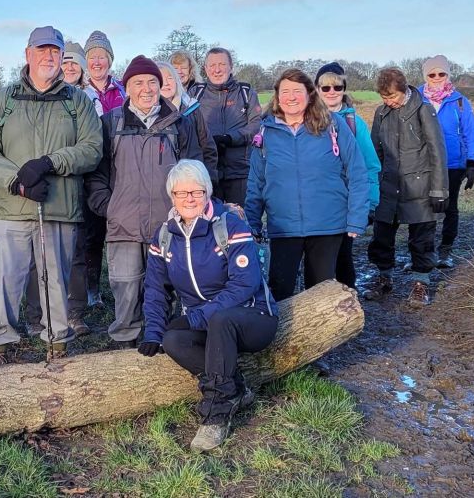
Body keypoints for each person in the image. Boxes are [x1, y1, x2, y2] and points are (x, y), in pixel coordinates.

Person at [0, 26, 103, 363]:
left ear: (63, 56)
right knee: (5, 278)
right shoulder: (4, 99)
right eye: (42, 50)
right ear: (28, 53)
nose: (49, 56)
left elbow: (92, 148)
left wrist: (50, 162)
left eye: (55, 51)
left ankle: (57, 343)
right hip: (13, 206)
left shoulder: (77, 101)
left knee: (56, 280)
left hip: (59, 206)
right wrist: (17, 181)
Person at [139, 160, 278, 452]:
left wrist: (199, 316)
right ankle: (236, 389)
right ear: (172, 196)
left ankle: (217, 412)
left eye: (197, 192)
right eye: (181, 193)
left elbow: (245, 284)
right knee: (172, 339)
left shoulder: (229, 226)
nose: (189, 199)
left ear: (207, 192)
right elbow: (155, 288)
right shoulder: (164, 236)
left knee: (221, 320)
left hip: (252, 317)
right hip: (206, 321)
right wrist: (153, 331)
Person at [85, 56, 204, 349]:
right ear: (127, 87)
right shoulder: (109, 123)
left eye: (152, 82)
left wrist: (188, 210)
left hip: (169, 225)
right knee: (126, 286)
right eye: (138, 83)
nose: (147, 89)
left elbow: (194, 168)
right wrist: (108, 206)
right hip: (123, 224)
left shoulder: (179, 122)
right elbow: (96, 173)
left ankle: (165, 340)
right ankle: (125, 340)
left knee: (168, 286)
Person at [245, 69, 369, 301]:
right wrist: (251, 222)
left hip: (328, 226)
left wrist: (357, 217)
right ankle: (281, 337)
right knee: (279, 291)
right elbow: (256, 181)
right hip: (283, 227)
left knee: (321, 296)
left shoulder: (333, 125)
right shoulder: (265, 131)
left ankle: (327, 337)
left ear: (310, 94)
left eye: (297, 91)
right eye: (285, 92)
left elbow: (357, 172)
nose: (291, 97)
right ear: (277, 96)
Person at [364, 68, 448, 306]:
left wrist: (439, 190)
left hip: (420, 186)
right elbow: (374, 154)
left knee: (422, 239)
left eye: (392, 97)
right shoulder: (381, 114)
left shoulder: (424, 110)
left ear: (404, 90)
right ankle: (383, 278)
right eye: (384, 98)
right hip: (388, 186)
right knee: (381, 238)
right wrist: (372, 190)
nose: (389, 102)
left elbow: (437, 151)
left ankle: (421, 284)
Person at [315, 63, 382, 289]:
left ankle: (348, 309)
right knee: (317, 263)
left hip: (344, 202)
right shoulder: (306, 122)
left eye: (337, 86)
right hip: (316, 202)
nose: (332, 92)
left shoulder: (355, 123)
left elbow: (370, 165)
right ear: (316, 90)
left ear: (344, 89)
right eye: (325, 88)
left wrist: (370, 203)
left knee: (343, 258)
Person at [418, 55, 474, 268]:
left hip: (454, 164)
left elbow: (470, 134)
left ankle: (445, 251)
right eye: (432, 74)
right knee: (423, 210)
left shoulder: (460, 101)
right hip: (423, 164)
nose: (437, 78)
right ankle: (422, 253)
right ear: (425, 76)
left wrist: (472, 163)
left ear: (448, 75)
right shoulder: (416, 98)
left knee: (450, 208)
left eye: (441, 73)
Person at [190, 47, 262, 204]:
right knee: (209, 224)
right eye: (212, 65)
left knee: (241, 221)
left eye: (222, 64)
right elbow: (186, 126)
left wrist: (230, 138)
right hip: (205, 172)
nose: (217, 70)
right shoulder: (195, 93)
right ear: (205, 69)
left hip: (239, 172)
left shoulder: (246, 92)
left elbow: (256, 125)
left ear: (231, 67)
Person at [158, 60, 219, 186]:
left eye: (171, 77)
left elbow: (208, 148)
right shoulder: (151, 116)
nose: (167, 83)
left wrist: (210, 179)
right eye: (161, 79)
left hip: (194, 182)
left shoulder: (192, 110)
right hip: (163, 185)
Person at [81, 30, 125, 114]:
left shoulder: (124, 89)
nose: (96, 62)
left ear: (109, 61)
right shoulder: (80, 93)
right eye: (92, 58)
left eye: (101, 57)